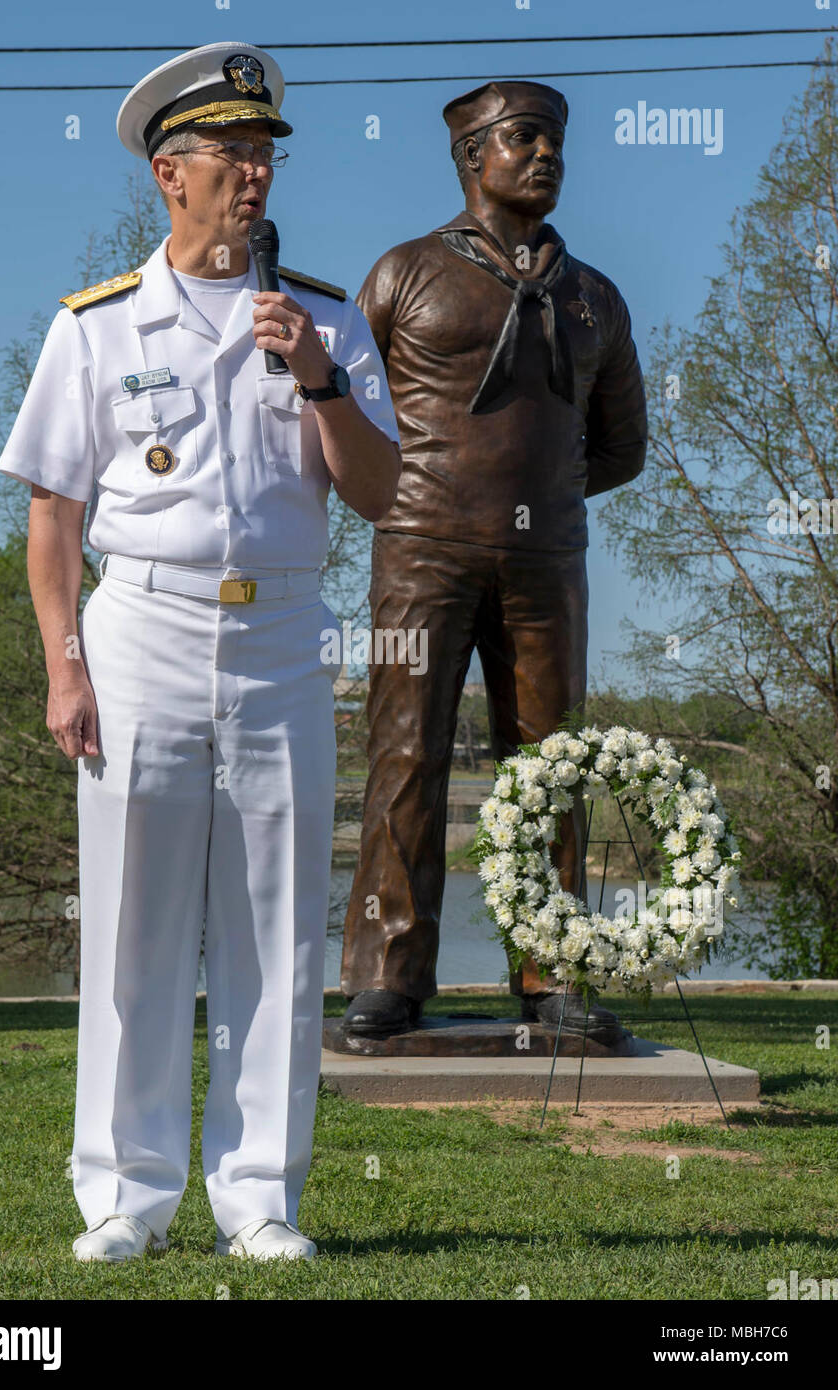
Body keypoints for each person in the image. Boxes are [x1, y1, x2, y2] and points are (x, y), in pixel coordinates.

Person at [0, 40, 401, 1262]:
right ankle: (126, 1193)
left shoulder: (325, 318)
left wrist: (322, 383)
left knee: (276, 925)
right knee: (134, 920)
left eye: (266, 152)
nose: (255, 173)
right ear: (168, 175)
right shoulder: (98, 328)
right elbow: (54, 517)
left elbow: (382, 495)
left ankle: (260, 1197)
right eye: (232, 152)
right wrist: (65, 662)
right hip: (143, 628)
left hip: (280, 632)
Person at [339, 81, 647, 1042]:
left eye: (555, 140)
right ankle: (389, 978)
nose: (546, 155)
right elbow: (348, 416)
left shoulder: (595, 297)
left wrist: (540, 496)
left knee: (548, 769)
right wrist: (441, 501)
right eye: (524, 139)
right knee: (404, 756)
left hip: (545, 565)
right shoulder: (402, 273)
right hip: (419, 555)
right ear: (473, 155)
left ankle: (552, 973)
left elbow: (622, 447)